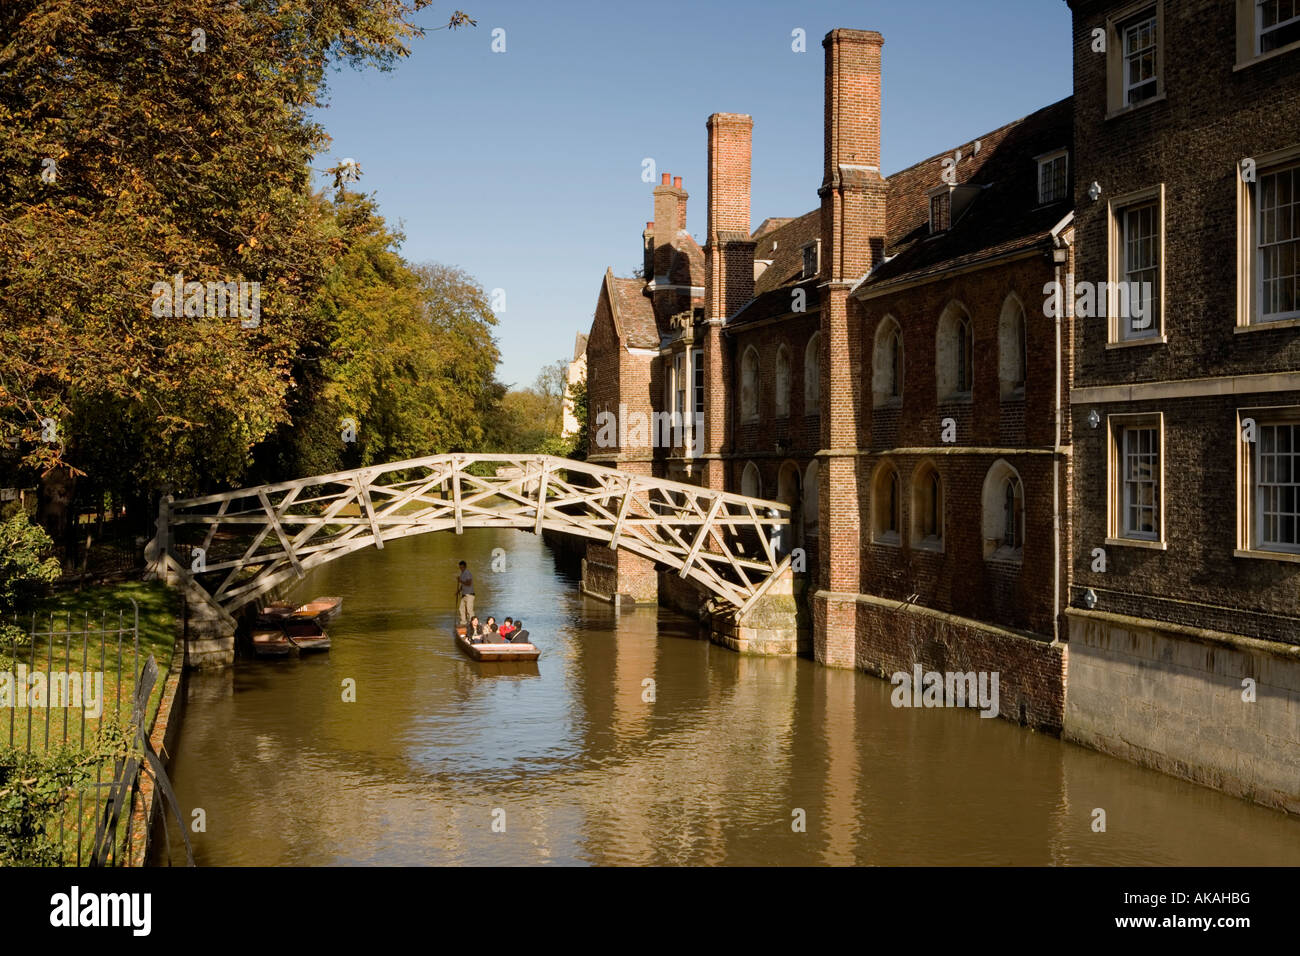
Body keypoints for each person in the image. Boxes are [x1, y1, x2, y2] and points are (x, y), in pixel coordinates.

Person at [455, 560, 474, 625]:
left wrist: (460, 581)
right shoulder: (462, 573)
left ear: (465, 566)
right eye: (460, 567)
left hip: (469, 595)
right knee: (461, 609)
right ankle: (463, 623)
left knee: (469, 610)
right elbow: (463, 585)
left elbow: (469, 583)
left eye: (462, 567)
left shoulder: (467, 573)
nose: (461, 569)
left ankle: (472, 624)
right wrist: (458, 591)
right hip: (464, 595)